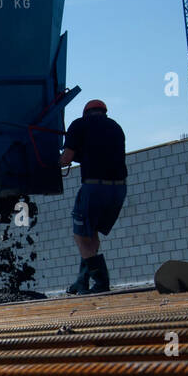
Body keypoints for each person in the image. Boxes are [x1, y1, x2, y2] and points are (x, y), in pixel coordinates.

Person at [59, 100, 127, 295]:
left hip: (95, 187)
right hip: (119, 189)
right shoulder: (116, 127)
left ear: (85, 113)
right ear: (104, 112)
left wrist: (42, 167)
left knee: (80, 236)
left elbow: (66, 159)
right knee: (92, 234)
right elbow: (100, 153)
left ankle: (101, 283)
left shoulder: (79, 125)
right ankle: (81, 282)